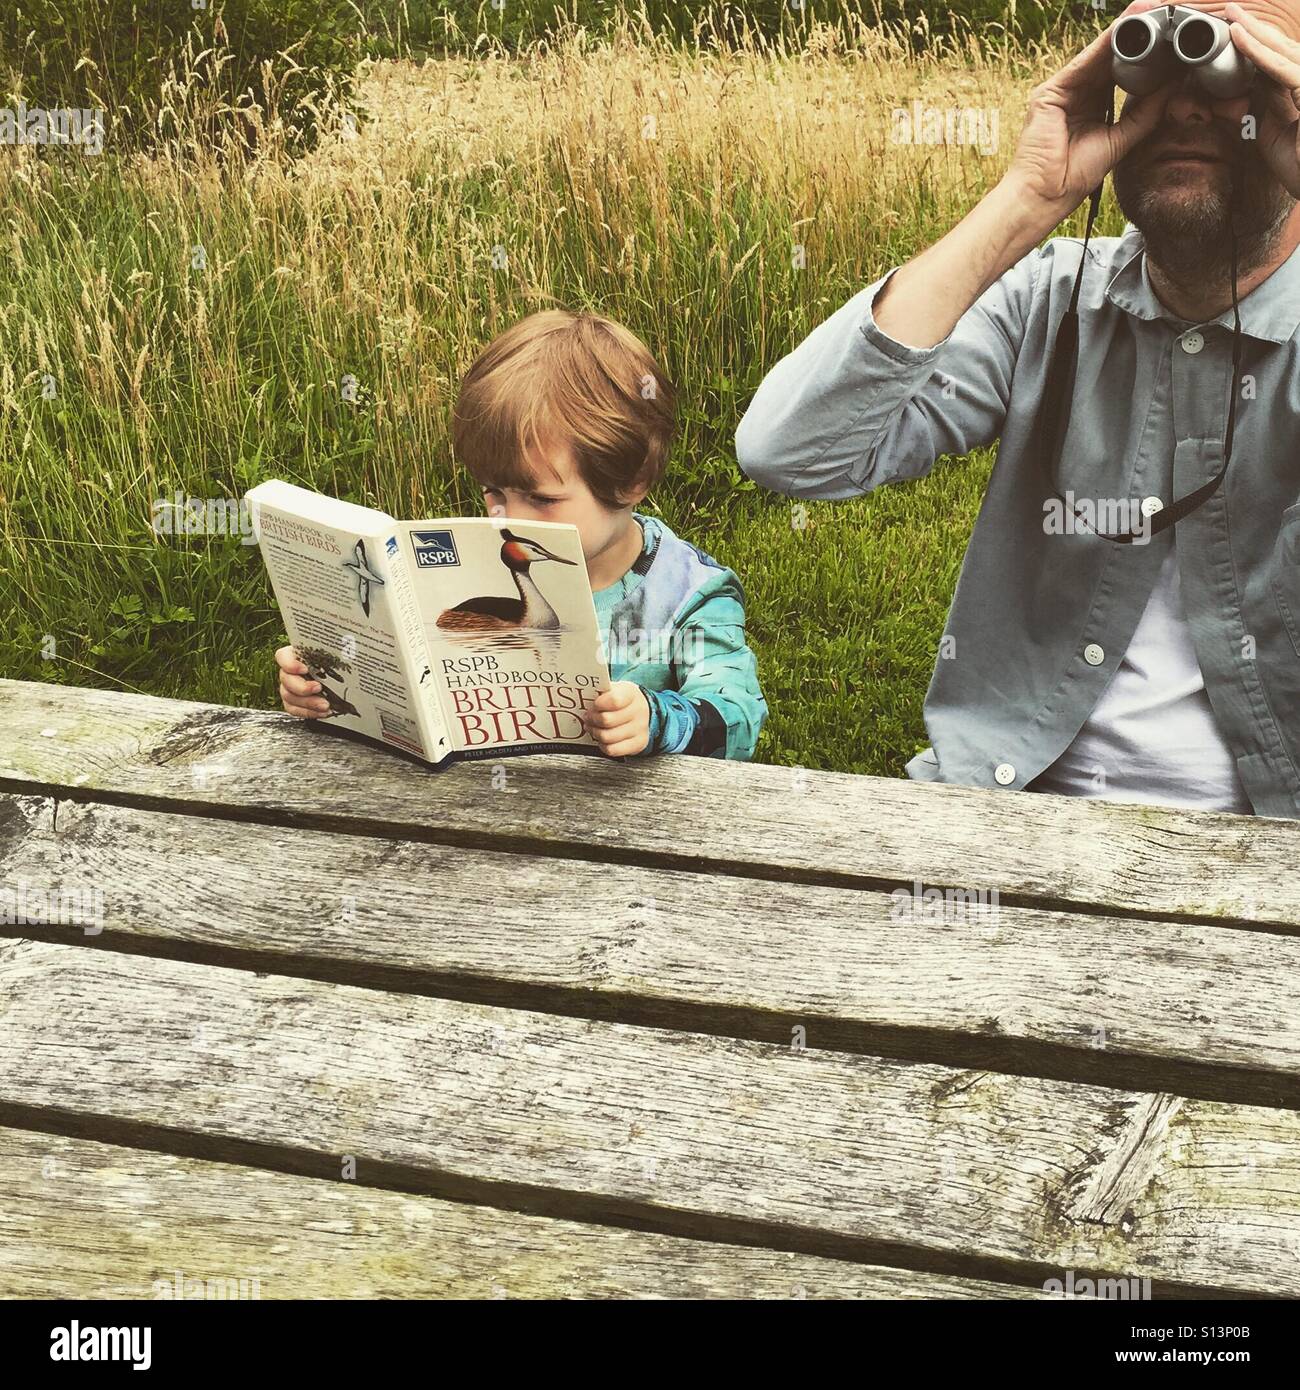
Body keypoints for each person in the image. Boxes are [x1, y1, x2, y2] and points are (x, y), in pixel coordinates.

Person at [737, 0, 1300, 817]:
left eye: (1234, 66)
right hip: (1009, 813)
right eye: (1152, 60)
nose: (1183, 104)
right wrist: (1028, 197)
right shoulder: (1051, 300)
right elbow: (790, 449)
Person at [279, 308, 768, 760]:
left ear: (631, 480)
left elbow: (740, 721)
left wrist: (657, 719)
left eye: (542, 498)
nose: (505, 519)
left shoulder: (688, 593)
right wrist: (328, 683)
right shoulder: (470, 568)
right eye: (494, 491)